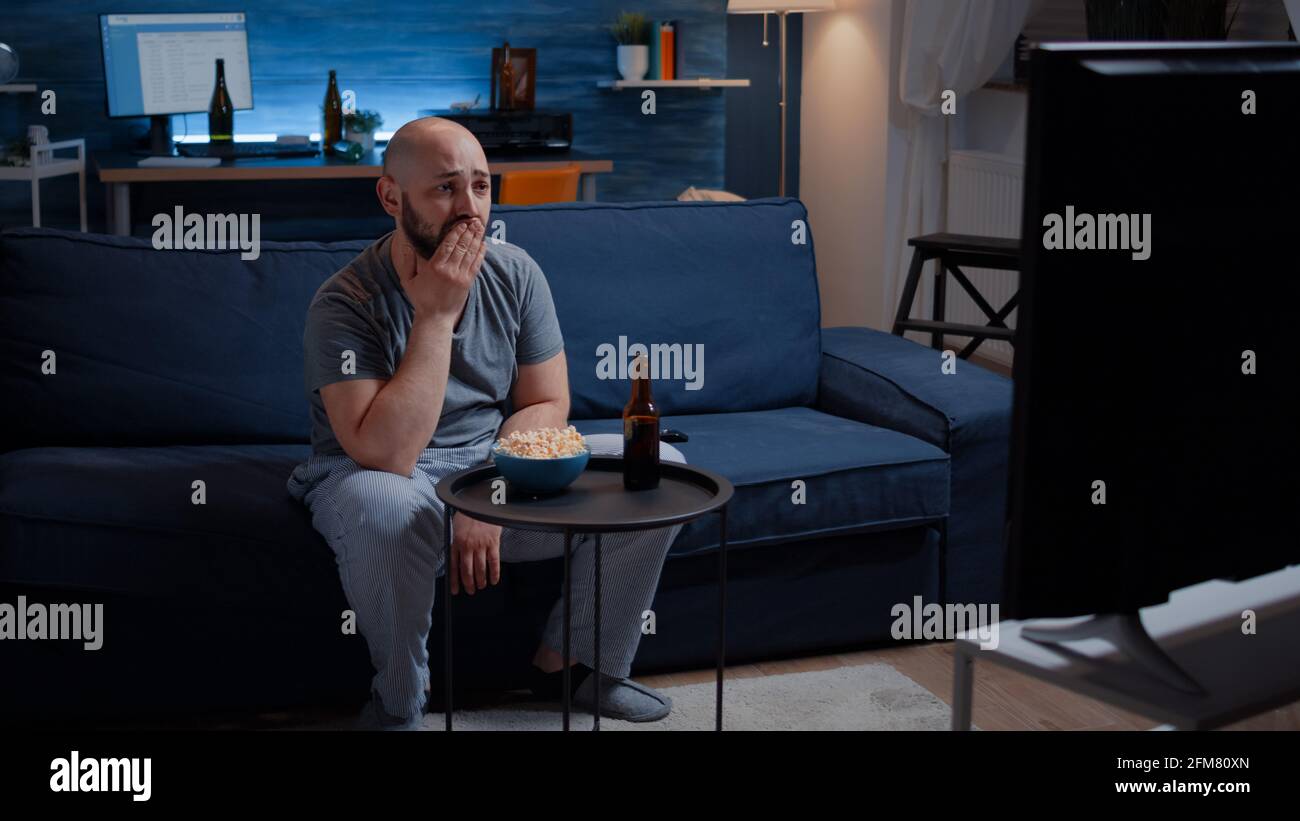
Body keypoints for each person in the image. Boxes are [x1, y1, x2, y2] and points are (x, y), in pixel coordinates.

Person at [286, 116, 685, 730]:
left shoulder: (516, 272)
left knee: (656, 469)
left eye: (481, 186)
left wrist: (489, 491)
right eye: (445, 189)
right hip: (378, 480)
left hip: (490, 467)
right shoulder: (345, 302)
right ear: (391, 197)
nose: (470, 210)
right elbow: (383, 451)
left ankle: (574, 668)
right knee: (385, 504)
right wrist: (436, 315)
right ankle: (398, 705)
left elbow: (548, 403)